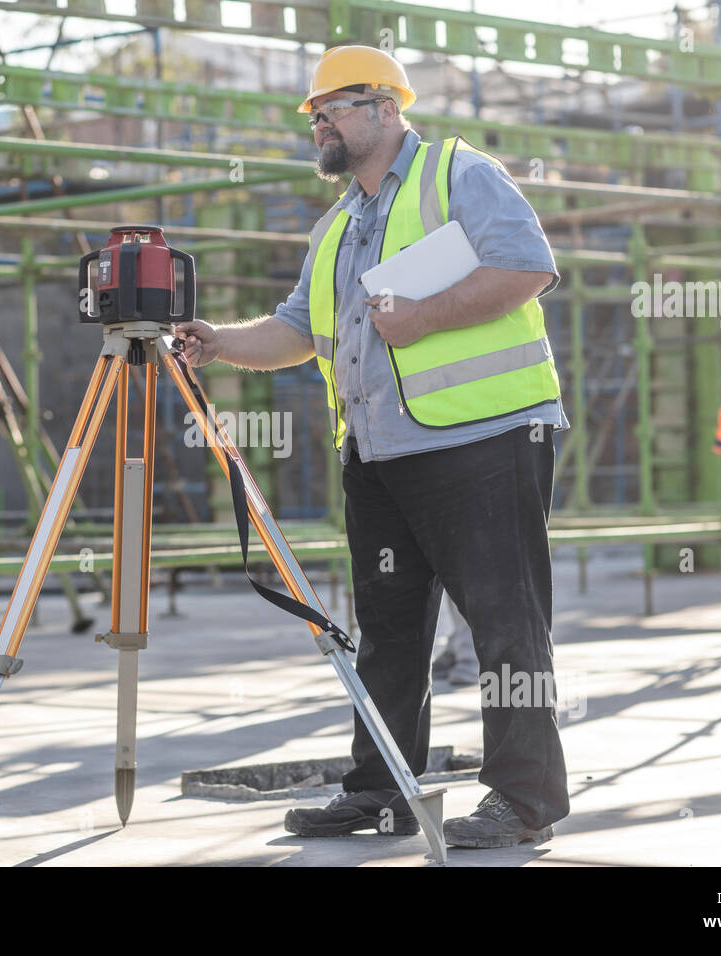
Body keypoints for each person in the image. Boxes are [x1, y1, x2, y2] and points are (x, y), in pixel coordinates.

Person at [172, 44, 569, 849]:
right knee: (386, 631)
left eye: (333, 107)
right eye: (313, 113)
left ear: (386, 107)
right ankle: (381, 791)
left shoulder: (460, 175)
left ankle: (524, 800)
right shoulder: (338, 225)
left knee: (505, 621)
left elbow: (528, 268)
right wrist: (216, 340)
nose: (318, 121)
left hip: (483, 440)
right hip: (381, 454)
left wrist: (424, 317)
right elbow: (293, 332)